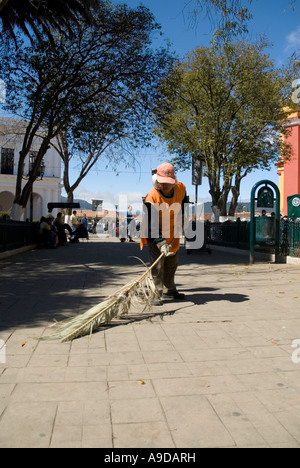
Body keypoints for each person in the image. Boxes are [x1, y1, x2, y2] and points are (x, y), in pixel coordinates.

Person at [140, 162, 189, 305]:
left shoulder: (181, 188)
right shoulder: (152, 198)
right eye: (163, 184)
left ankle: (170, 290)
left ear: (174, 181)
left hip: (173, 231)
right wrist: (160, 242)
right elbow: (151, 226)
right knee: (158, 265)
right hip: (154, 234)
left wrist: (183, 217)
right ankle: (155, 293)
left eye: (169, 183)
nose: (166, 187)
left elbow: (184, 203)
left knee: (172, 263)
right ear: (157, 182)